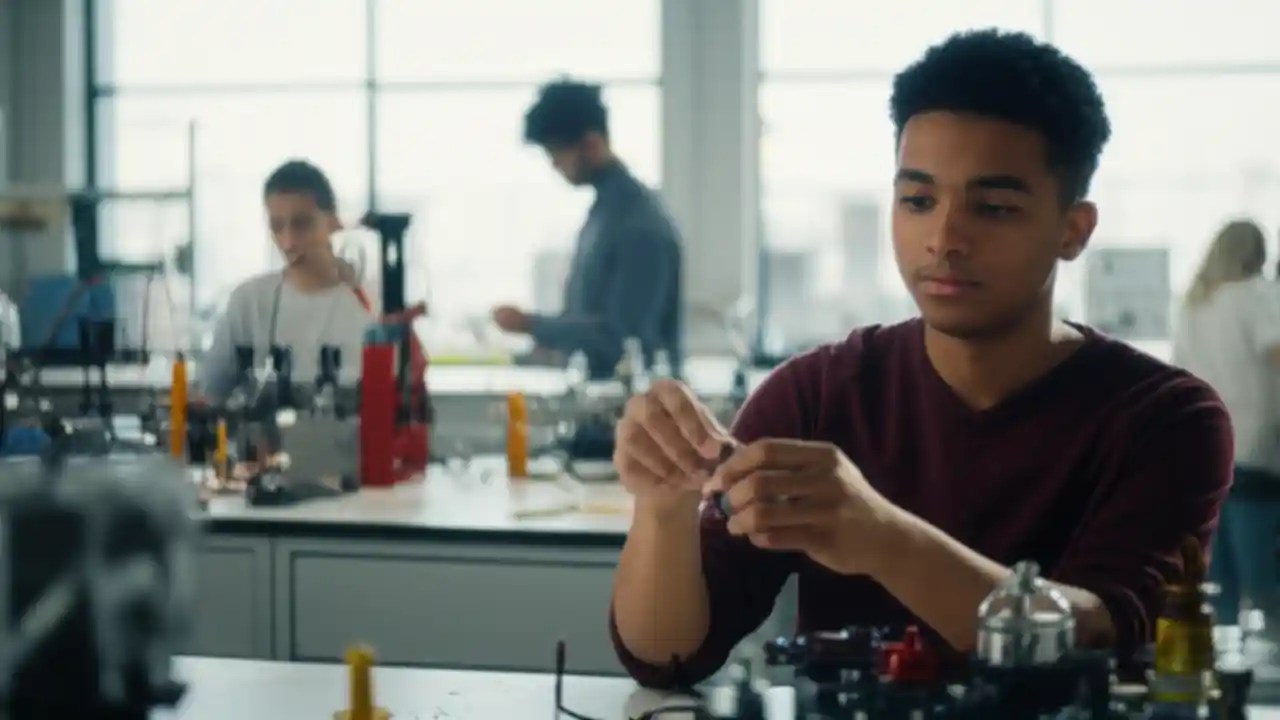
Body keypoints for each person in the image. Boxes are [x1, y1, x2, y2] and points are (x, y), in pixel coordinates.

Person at [607, 29, 1232, 689]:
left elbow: (1099, 635)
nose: (943, 239)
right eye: (918, 201)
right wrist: (664, 507)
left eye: (992, 207)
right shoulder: (818, 395)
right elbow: (668, 656)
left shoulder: (1167, 419)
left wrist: (885, 539)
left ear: (1072, 230)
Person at [491, 79, 682, 380]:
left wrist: (531, 324)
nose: (554, 165)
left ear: (591, 143)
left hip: (635, 411)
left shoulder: (638, 224)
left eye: (556, 153)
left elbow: (624, 339)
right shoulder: (606, 214)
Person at [1173, 219, 1280, 627]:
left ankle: (1220, 672)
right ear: (1256, 254)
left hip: (1203, 450)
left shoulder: (1194, 305)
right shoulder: (1256, 295)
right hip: (1256, 448)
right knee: (1264, 579)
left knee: (1217, 584)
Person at [198, 160, 371, 402]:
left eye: (302, 224)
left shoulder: (368, 307)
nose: (288, 242)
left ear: (333, 222)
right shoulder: (249, 302)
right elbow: (209, 395)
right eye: (277, 226)